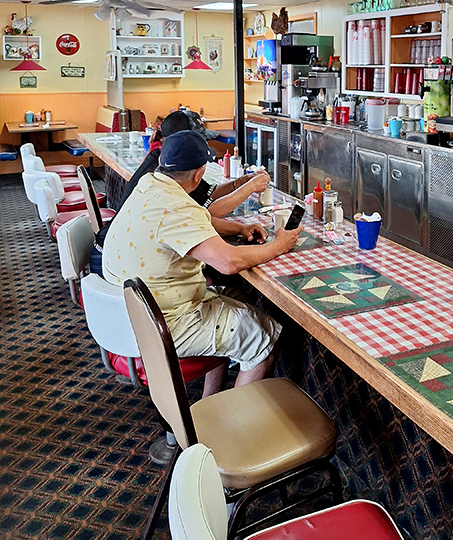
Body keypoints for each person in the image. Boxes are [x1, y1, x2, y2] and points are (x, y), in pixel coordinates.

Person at [103, 131, 302, 396]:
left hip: (127, 317)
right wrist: (278, 245)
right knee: (264, 337)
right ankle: (232, 431)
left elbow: (198, 218)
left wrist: (239, 229)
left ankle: (212, 401)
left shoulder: (150, 185)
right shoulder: (176, 207)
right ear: (199, 174)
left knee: (239, 298)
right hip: (162, 325)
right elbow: (228, 262)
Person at [89, 110, 270, 273]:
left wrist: (239, 183)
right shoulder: (175, 185)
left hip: (114, 259)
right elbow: (211, 215)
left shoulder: (162, 172)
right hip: (111, 265)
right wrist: (251, 188)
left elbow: (207, 201)